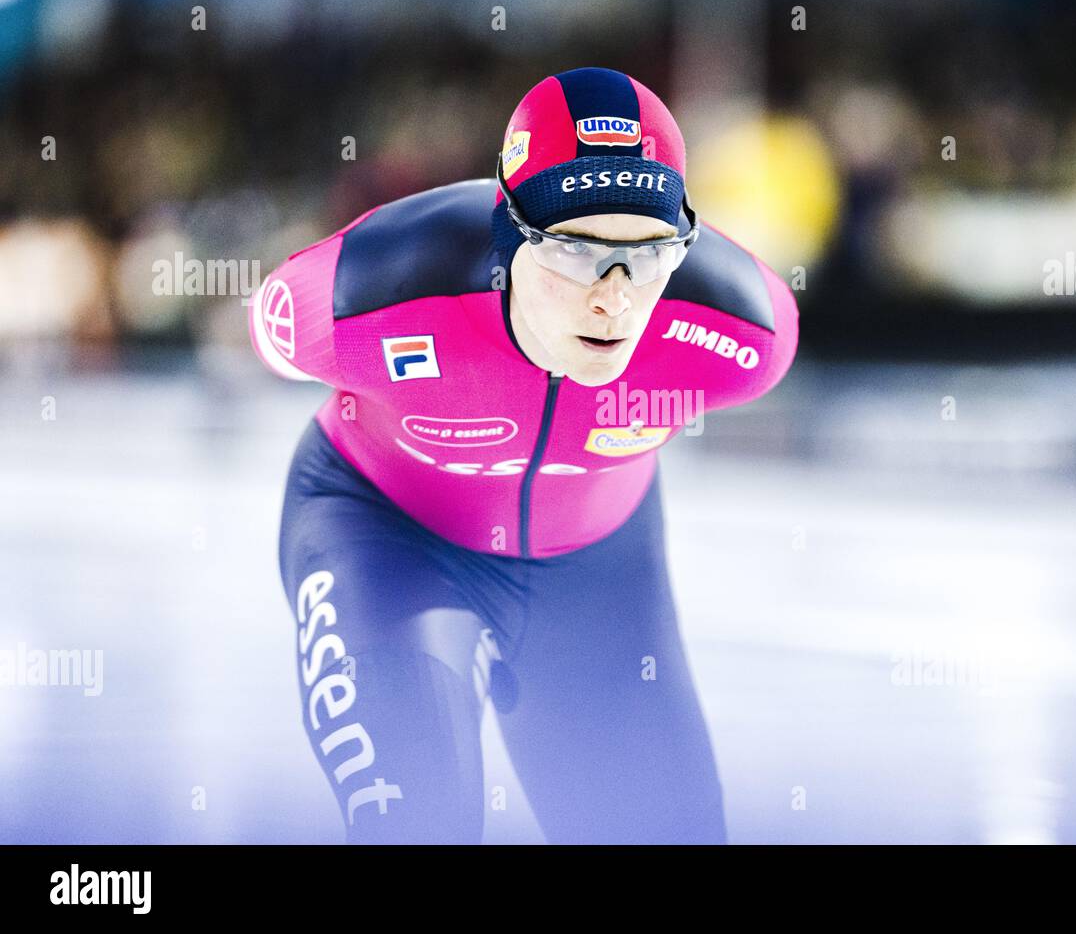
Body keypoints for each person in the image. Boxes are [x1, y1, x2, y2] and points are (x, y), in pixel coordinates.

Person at [248, 66, 798, 844]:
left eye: (647, 256)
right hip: (386, 545)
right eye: (576, 252)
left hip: (597, 573)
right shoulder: (364, 296)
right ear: (509, 230)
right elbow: (264, 329)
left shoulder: (744, 332)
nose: (614, 297)